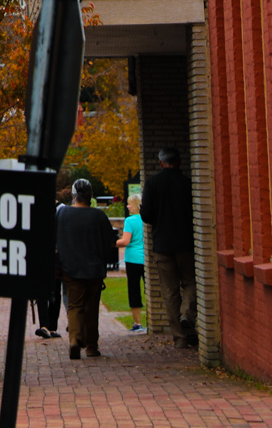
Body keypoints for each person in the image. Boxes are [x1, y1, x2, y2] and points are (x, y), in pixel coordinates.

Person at [144, 147, 198, 348]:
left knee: (169, 291)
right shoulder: (187, 183)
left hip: (162, 244)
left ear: (160, 163)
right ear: (180, 162)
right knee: (191, 282)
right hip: (186, 243)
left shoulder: (152, 183)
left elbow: (146, 215)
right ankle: (187, 314)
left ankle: (179, 338)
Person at [57, 178, 117, 360]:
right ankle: (91, 346)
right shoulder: (98, 216)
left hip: (71, 267)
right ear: (90, 196)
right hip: (94, 269)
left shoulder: (62, 214)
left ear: (74, 195)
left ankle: (75, 339)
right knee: (92, 308)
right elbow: (110, 243)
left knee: (75, 305)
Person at [33, 182, 70, 339]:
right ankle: (45, 325)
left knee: (54, 291)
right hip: (43, 256)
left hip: (55, 256)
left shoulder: (61, 211)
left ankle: (51, 325)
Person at [116, 196, 146, 333]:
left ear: (135, 205)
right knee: (149, 289)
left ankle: (137, 323)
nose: (127, 207)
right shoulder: (146, 219)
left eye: (129, 204)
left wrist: (111, 243)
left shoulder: (130, 220)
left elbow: (125, 241)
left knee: (134, 291)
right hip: (146, 259)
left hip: (133, 259)